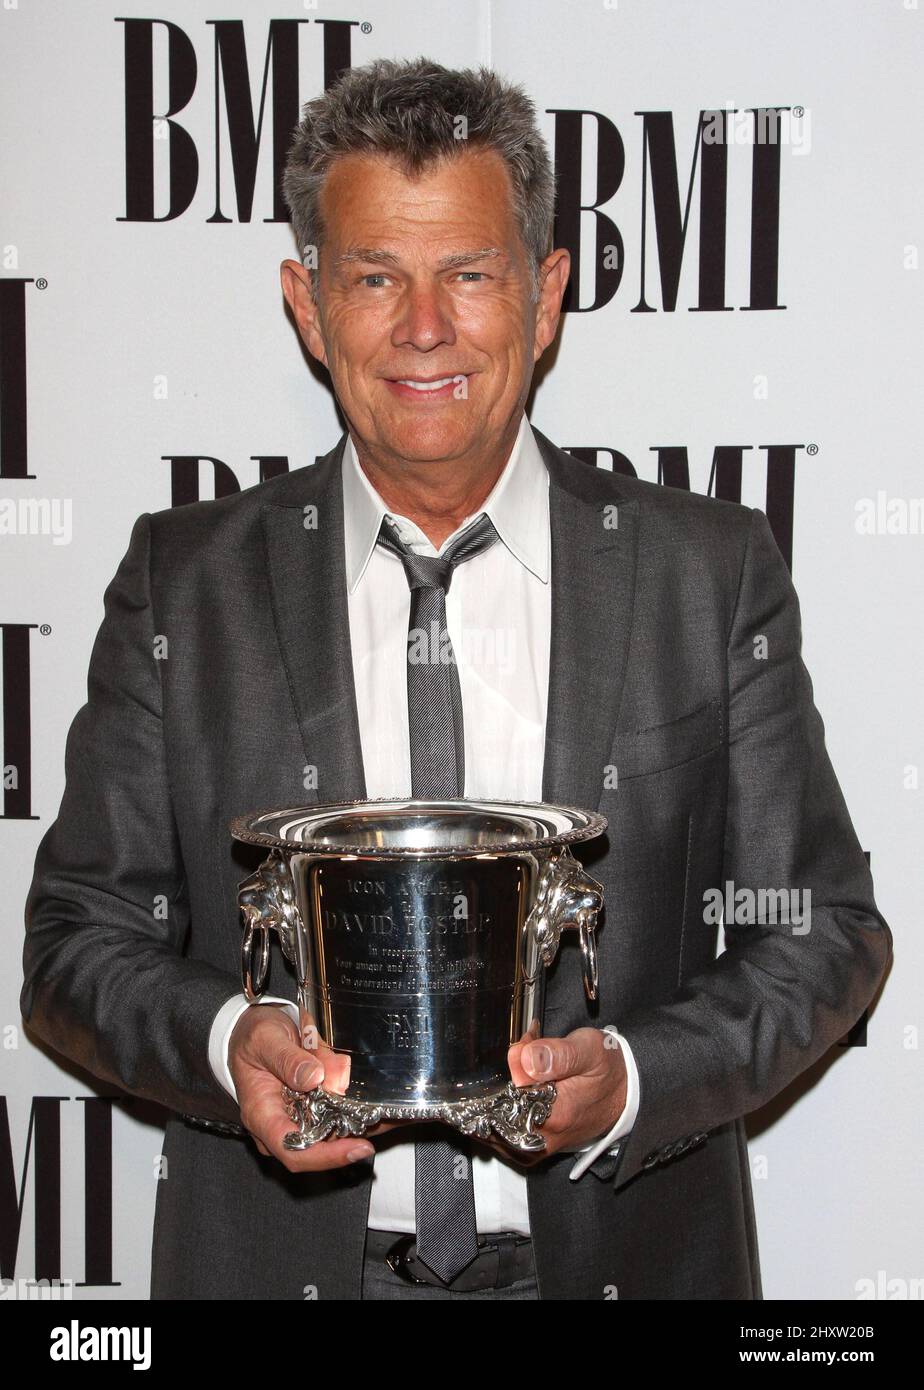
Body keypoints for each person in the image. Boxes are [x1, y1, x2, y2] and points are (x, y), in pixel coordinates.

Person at [21, 57, 891, 1301]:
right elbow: (74, 943)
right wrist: (229, 1043)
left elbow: (820, 932)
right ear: (308, 305)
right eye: (375, 276)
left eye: (468, 275)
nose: (423, 328)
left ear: (544, 299)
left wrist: (634, 1077)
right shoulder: (186, 583)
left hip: (622, 1265)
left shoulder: (707, 573)